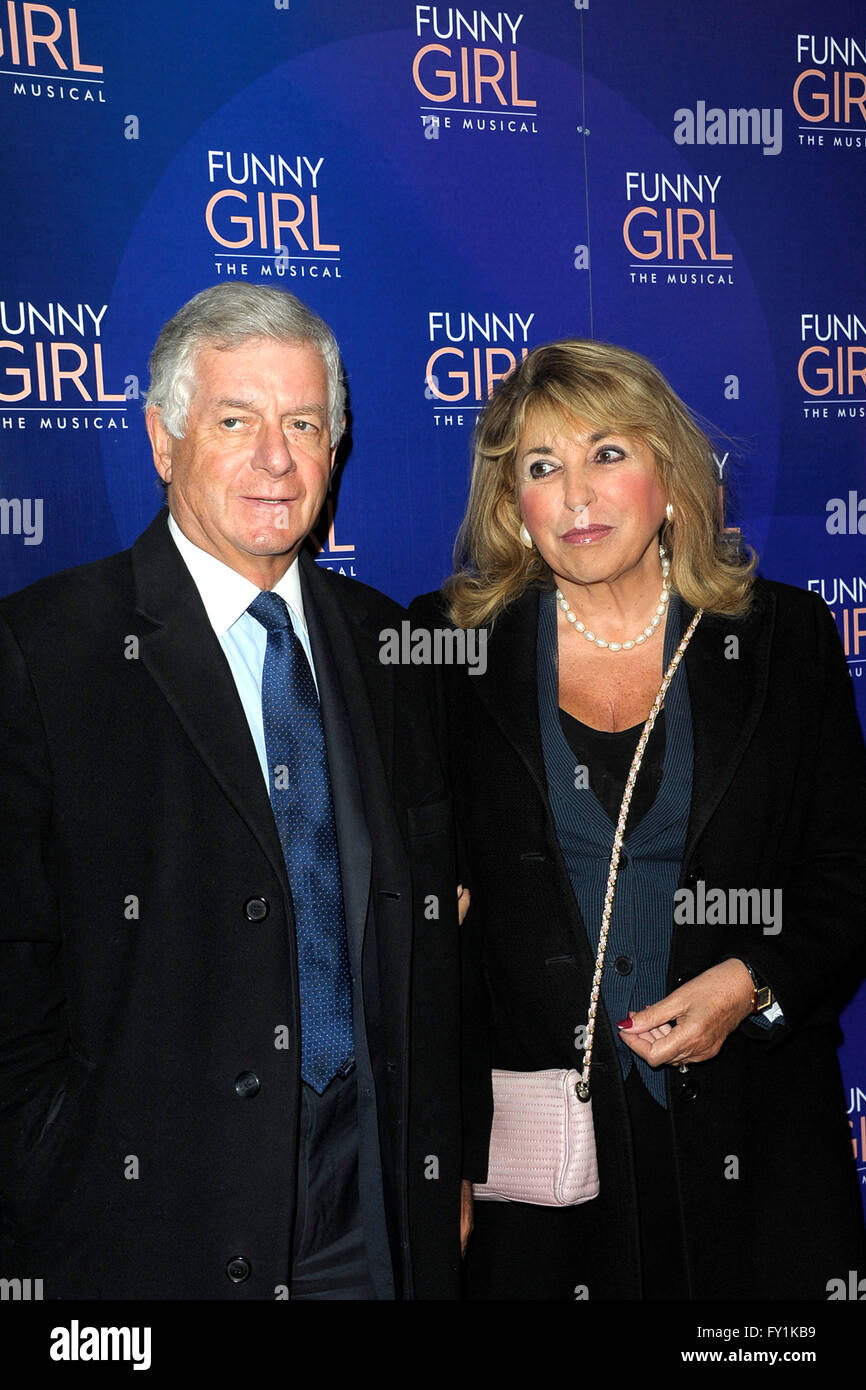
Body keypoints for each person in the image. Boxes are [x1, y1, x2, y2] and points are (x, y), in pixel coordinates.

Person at [0, 281, 464, 1300]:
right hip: (148, 1228)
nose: (275, 456)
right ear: (163, 442)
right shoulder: (44, 651)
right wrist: (52, 1169)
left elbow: (423, 942)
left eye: (303, 422)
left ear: (335, 448)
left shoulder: (393, 646)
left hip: (368, 1218)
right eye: (235, 419)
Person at [412, 339, 866, 1300]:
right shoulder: (451, 654)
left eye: (608, 454)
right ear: (513, 509)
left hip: (756, 1138)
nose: (577, 495)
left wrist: (753, 983)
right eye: (542, 468)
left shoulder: (783, 639)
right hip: (545, 1166)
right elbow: (426, 923)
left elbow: (847, 875)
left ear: (669, 477)